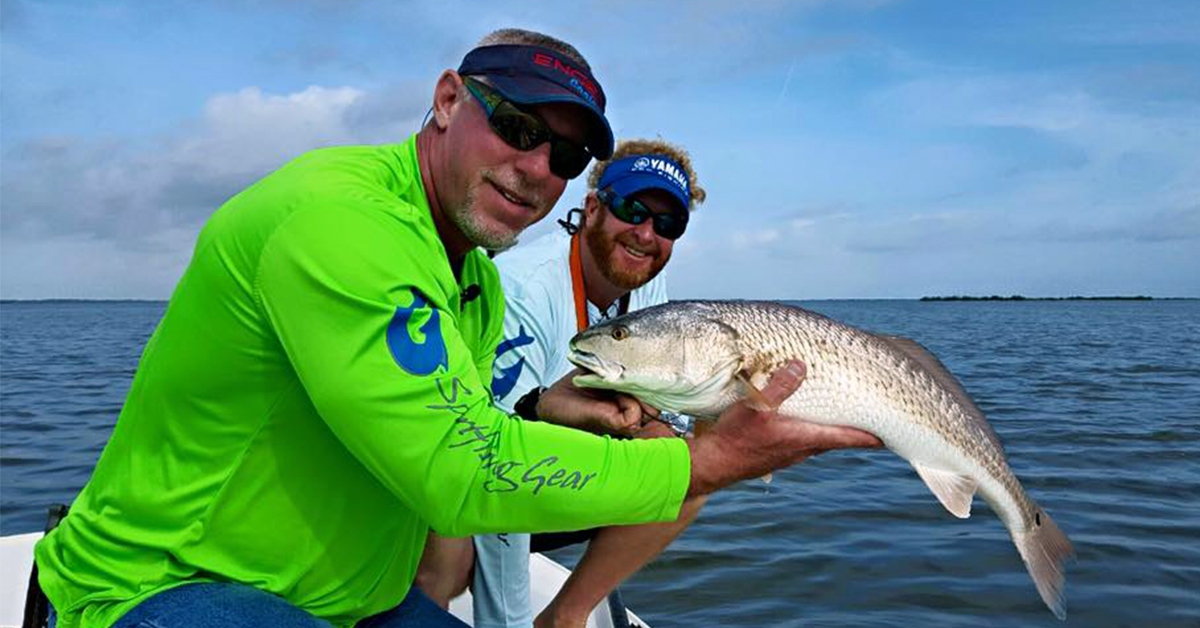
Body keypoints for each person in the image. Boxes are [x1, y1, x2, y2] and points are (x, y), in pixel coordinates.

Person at [32, 27, 882, 628]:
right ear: (447, 100)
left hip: (343, 598)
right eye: (517, 128)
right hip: (166, 588)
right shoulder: (341, 222)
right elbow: (453, 478)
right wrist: (709, 460)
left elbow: (458, 429)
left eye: (565, 156)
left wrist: (535, 416)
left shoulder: (473, 276)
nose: (536, 169)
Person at [471, 139, 709, 628]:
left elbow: (669, 404)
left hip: (560, 468)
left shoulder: (643, 279)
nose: (646, 235)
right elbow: (486, 461)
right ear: (594, 206)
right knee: (445, 557)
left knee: (692, 468)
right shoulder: (523, 289)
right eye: (632, 210)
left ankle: (567, 614)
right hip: (479, 479)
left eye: (668, 224)